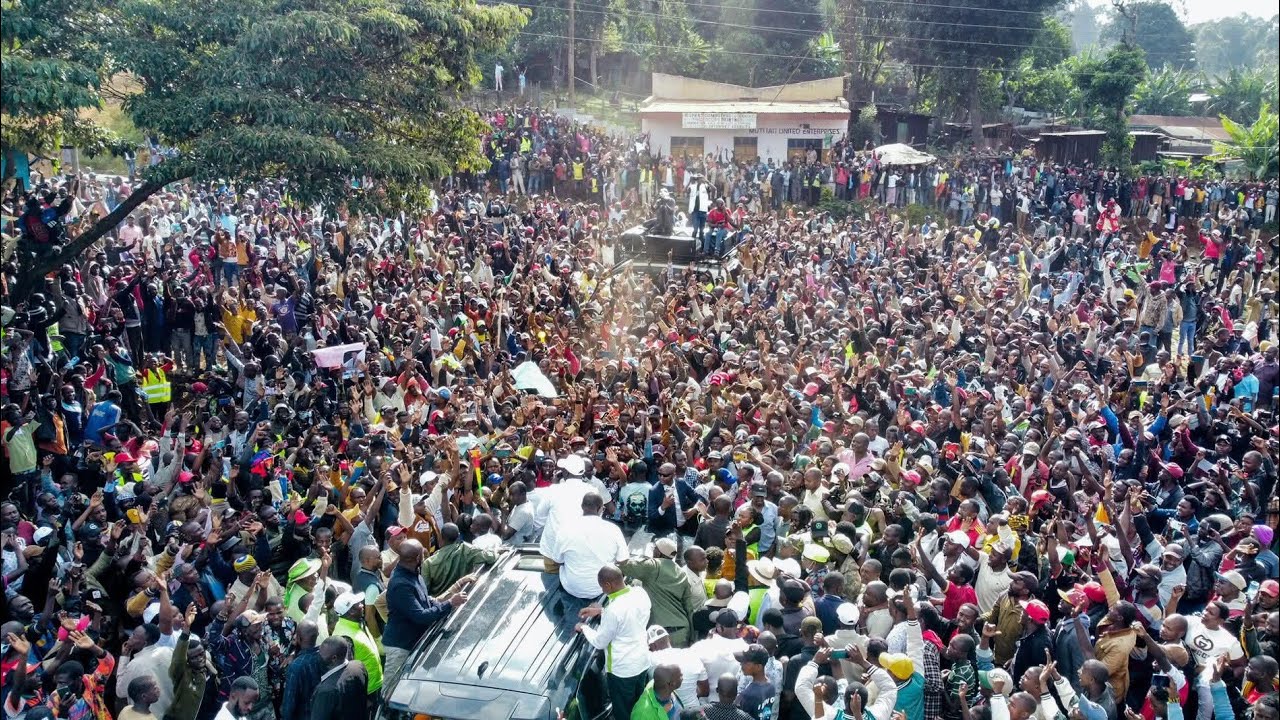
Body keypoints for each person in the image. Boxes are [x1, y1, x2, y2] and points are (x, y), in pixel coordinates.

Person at [382, 539, 470, 682]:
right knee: (392, 687)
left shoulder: (414, 573)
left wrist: (439, 601)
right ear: (417, 558)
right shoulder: (401, 584)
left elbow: (424, 600)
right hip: (400, 647)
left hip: (415, 640)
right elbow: (420, 616)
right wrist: (450, 603)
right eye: (423, 553)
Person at [575, 565, 653, 720]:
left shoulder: (614, 609)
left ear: (608, 585)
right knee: (640, 707)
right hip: (643, 662)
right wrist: (601, 611)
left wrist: (584, 627)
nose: (603, 590)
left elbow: (599, 642)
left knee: (623, 712)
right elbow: (628, 616)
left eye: (602, 587)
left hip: (622, 671)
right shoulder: (640, 593)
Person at [310, 638, 369, 720]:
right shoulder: (359, 666)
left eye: (321, 654)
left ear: (334, 658)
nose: (318, 656)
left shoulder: (326, 691)